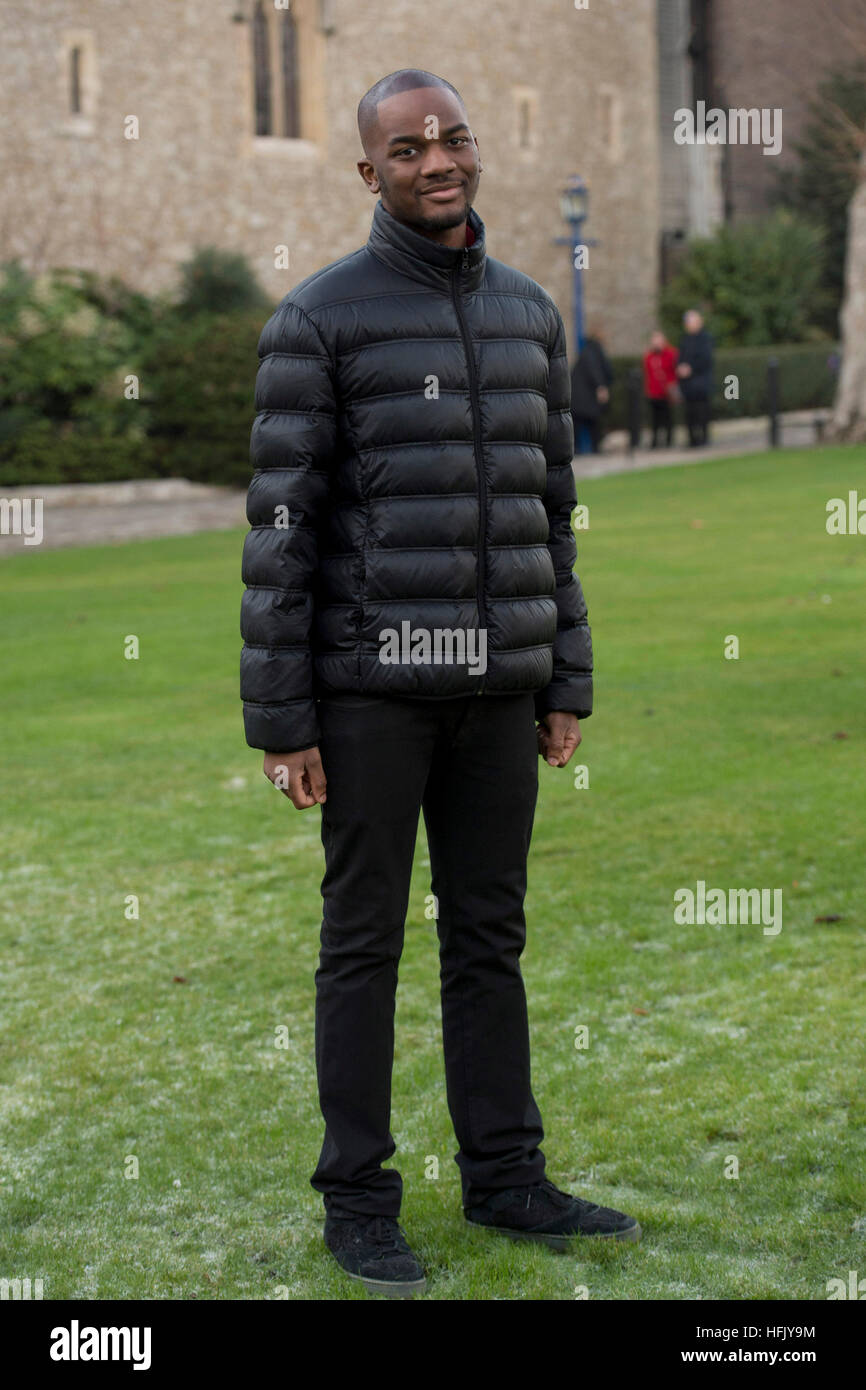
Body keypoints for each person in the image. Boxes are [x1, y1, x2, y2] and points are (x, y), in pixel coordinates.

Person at [239, 67, 641, 1301]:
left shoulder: (528, 314)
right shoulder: (319, 320)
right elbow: (280, 535)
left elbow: (550, 515)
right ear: (369, 173)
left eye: (452, 138)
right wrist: (284, 719)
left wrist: (560, 672)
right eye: (407, 147)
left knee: (489, 938)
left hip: (497, 689)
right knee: (360, 947)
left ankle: (507, 1175)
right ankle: (359, 1200)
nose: (437, 159)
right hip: (368, 693)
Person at [570, 321, 614, 454]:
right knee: (593, 421)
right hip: (586, 395)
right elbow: (595, 370)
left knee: (580, 422)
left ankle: (580, 449)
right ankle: (594, 448)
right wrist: (601, 386)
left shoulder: (586, 350)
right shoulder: (593, 351)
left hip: (579, 395)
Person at [676, 309, 714, 446]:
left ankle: (704, 438)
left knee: (702, 411)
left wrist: (690, 369)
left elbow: (706, 360)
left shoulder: (705, 338)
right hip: (688, 385)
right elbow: (680, 357)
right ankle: (692, 439)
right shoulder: (685, 339)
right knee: (689, 413)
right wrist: (680, 368)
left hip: (701, 383)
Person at [642, 329, 679, 448]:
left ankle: (669, 441)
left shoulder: (671, 353)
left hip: (667, 391)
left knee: (668, 417)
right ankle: (655, 442)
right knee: (655, 419)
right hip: (654, 391)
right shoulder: (649, 356)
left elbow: (673, 371)